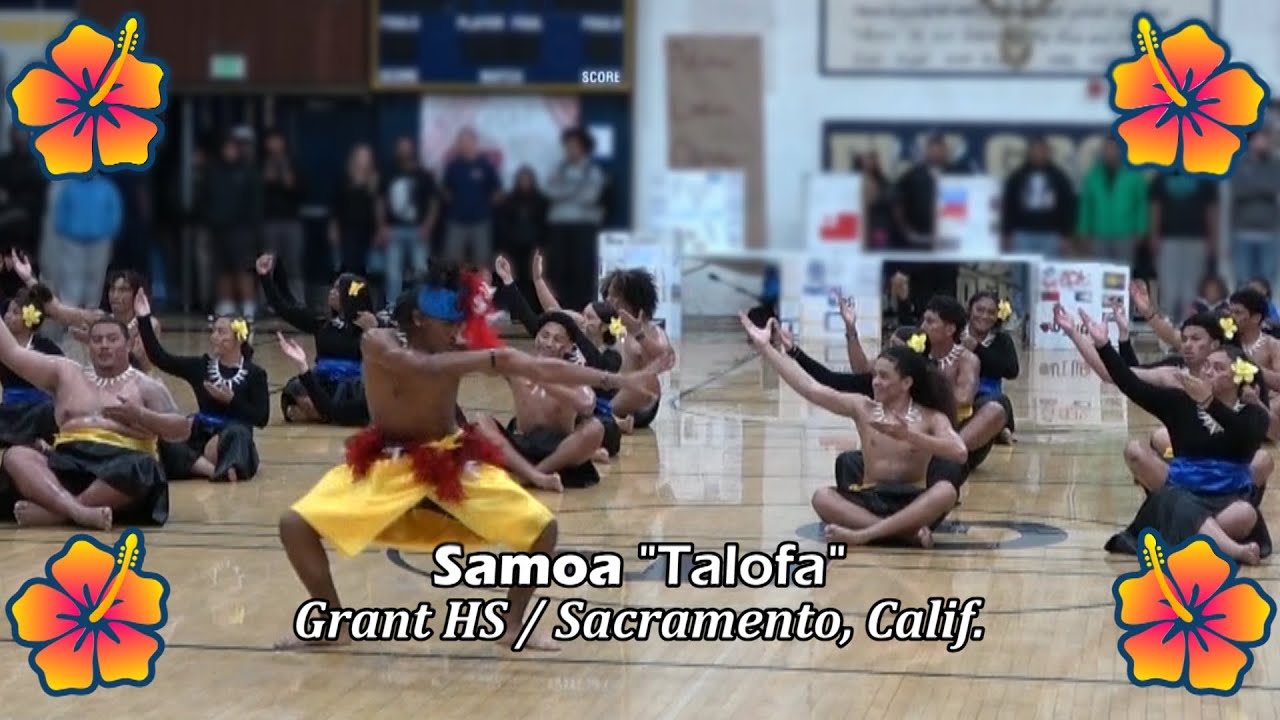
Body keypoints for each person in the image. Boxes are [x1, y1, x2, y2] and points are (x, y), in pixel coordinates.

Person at [273, 261, 666, 651]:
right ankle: (331, 622)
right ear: (417, 319)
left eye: (458, 324)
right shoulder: (379, 342)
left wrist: (617, 380)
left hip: (449, 456)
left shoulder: (456, 348)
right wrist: (489, 358)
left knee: (542, 529)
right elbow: (419, 367)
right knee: (294, 524)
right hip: (386, 460)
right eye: (447, 325)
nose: (456, 332)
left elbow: (535, 365)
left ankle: (512, 625)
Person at [740, 314, 967, 548]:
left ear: (906, 383)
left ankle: (864, 534)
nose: (875, 382)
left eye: (884, 376)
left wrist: (909, 435)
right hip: (872, 497)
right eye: (875, 375)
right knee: (822, 497)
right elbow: (810, 388)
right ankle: (904, 534)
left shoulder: (930, 417)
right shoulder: (863, 407)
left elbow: (959, 452)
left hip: (912, 500)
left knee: (946, 491)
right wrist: (766, 348)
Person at [1083, 311, 1271, 563]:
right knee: (1177, 501)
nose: (1207, 372)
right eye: (1207, 367)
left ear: (1238, 376)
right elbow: (1129, 384)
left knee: (1246, 514)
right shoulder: (1179, 403)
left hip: (1228, 500)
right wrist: (1104, 346)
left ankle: (1189, 536)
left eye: (1218, 368)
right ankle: (1235, 551)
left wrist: (1208, 402)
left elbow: (1242, 434)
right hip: (1182, 492)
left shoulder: (1253, 413)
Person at [0, 315, 188, 529]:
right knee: (17, 455)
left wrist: (140, 416)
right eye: (97, 340)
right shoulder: (66, 373)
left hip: (118, 470)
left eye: (112, 339)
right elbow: (11, 353)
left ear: (128, 344)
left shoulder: (146, 386)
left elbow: (182, 429)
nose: (104, 346)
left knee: (144, 467)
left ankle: (56, 514)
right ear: (89, 345)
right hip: (67, 462)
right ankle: (77, 511)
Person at [494, 254, 622, 457]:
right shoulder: (563, 342)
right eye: (583, 314)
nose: (583, 318)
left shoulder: (609, 356)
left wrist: (570, 323)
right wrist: (524, 281)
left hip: (588, 411)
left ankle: (588, 448)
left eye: (589, 317)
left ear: (604, 326)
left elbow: (595, 375)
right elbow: (540, 316)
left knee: (603, 428)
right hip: (554, 414)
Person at [134, 290, 269, 482]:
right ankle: (211, 469)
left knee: (238, 432)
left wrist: (231, 400)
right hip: (199, 435)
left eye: (221, 332)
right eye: (213, 331)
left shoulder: (255, 374)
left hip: (233, 440)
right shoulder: (200, 366)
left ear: (238, 338)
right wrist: (143, 318)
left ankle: (206, 465)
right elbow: (160, 358)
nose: (214, 337)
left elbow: (261, 418)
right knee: (165, 438)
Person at [476, 310, 612, 491]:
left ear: (569, 347)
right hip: (522, 446)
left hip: (559, 452)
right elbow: (485, 355)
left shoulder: (573, 375)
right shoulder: (518, 367)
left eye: (557, 339)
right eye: (545, 336)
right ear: (536, 338)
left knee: (595, 428)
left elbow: (587, 405)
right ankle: (534, 476)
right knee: (480, 423)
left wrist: (546, 383)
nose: (549, 343)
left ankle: (535, 474)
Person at [257, 253, 376, 425]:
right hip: (321, 382)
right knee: (295, 393)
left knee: (352, 404)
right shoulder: (322, 323)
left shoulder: (370, 325)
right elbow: (285, 307)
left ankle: (323, 412)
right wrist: (265, 278)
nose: (331, 292)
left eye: (337, 289)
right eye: (333, 288)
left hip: (350, 387)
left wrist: (373, 331)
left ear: (350, 295)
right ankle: (321, 412)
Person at [9, 253, 155, 371]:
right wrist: (29, 279)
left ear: (137, 294)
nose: (115, 295)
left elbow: (143, 366)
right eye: (112, 289)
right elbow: (58, 310)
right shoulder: (99, 318)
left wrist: (92, 341)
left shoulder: (149, 324)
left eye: (123, 290)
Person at [920, 295, 1001, 474]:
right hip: (920, 433)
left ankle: (944, 454)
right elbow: (864, 368)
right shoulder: (915, 351)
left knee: (996, 409)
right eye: (924, 320)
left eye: (930, 322)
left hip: (960, 436)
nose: (923, 327)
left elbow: (963, 399)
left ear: (949, 329)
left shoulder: (967, 359)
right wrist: (851, 332)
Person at [602, 267, 674, 432]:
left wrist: (638, 334)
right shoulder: (611, 327)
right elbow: (566, 318)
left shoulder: (652, 331)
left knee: (648, 382)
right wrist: (539, 282)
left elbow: (667, 358)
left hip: (638, 402)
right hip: (608, 394)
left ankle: (602, 416)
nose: (608, 300)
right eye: (608, 294)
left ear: (633, 300)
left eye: (615, 296)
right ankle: (604, 417)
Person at [0, 283, 61, 450]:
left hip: (40, 409)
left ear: (29, 318)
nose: (7, 316)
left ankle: (36, 442)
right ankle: (28, 442)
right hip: (10, 409)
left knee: (48, 412)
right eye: (7, 311)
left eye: (15, 312)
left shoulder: (47, 347)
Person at [961, 292, 1020, 443]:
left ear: (997, 316)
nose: (984, 316)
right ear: (970, 310)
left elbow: (1011, 371)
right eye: (979, 310)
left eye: (991, 313)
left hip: (986, 396)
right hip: (957, 393)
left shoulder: (1002, 340)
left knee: (999, 403)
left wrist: (977, 349)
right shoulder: (955, 333)